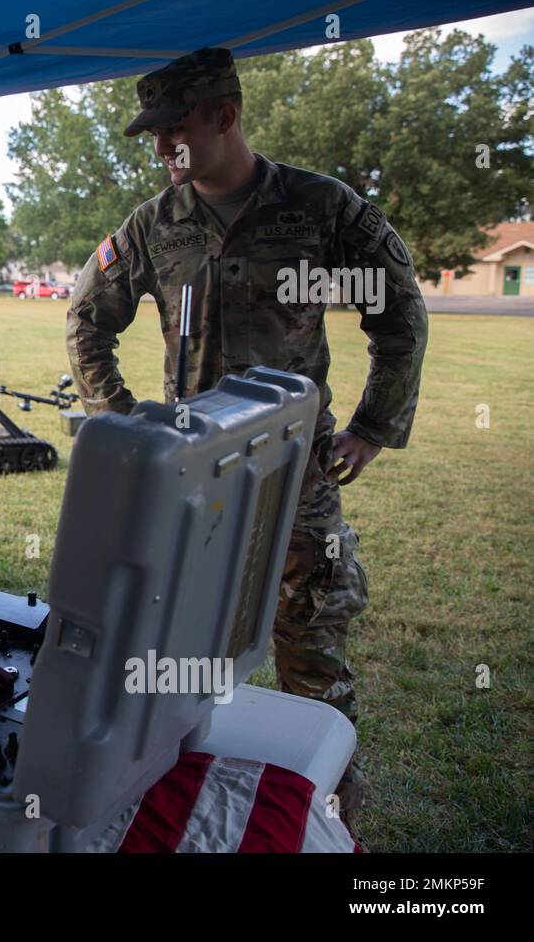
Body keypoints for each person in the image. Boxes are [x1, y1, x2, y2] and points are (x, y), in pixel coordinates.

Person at [65, 48, 429, 834]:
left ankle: (329, 824)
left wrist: (372, 426)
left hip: (297, 474)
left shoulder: (318, 208)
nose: (162, 148)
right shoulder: (154, 226)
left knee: (314, 650)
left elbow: (399, 311)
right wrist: (119, 414)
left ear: (226, 115)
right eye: (153, 134)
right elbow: (87, 317)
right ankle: (197, 810)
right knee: (183, 653)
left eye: (174, 129)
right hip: (194, 483)